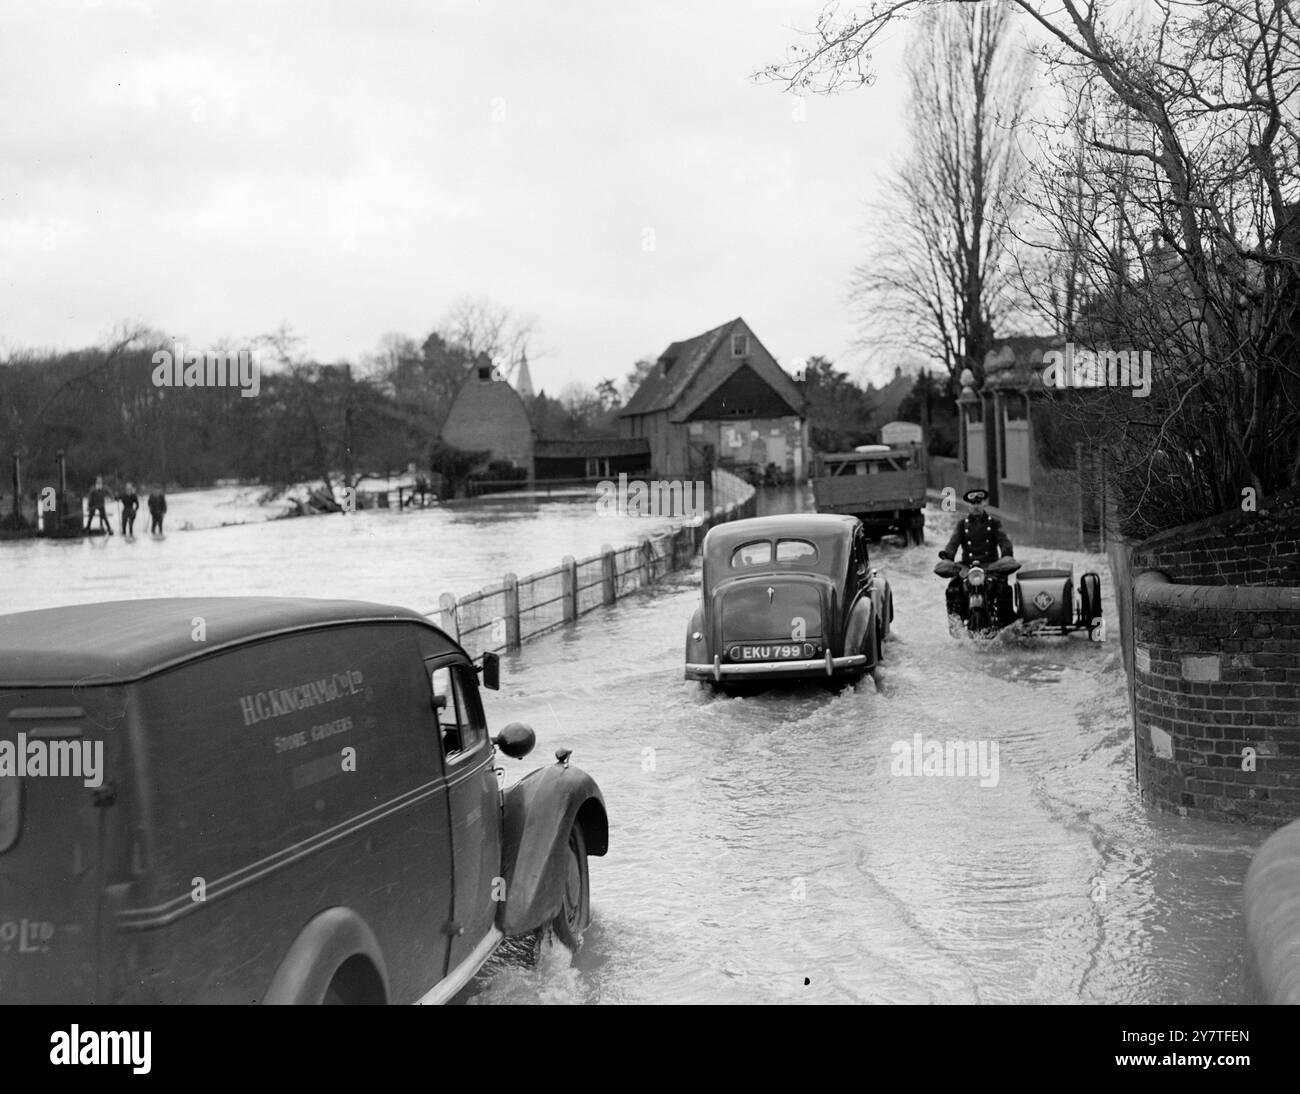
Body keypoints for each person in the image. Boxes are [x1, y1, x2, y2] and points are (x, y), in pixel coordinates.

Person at [939, 489, 1014, 622]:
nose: (976, 506)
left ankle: (1006, 623)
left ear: (985, 503)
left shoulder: (994, 523)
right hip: (967, 567)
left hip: (990, 565)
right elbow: (953, 542)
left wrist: (1007, 554)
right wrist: (948, 556)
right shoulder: (962, 524)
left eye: (979, 502)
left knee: (1003, 588)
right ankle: (956, 623)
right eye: (972, 503)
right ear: (968, 505)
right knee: (953, 589)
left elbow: (1004, 541)